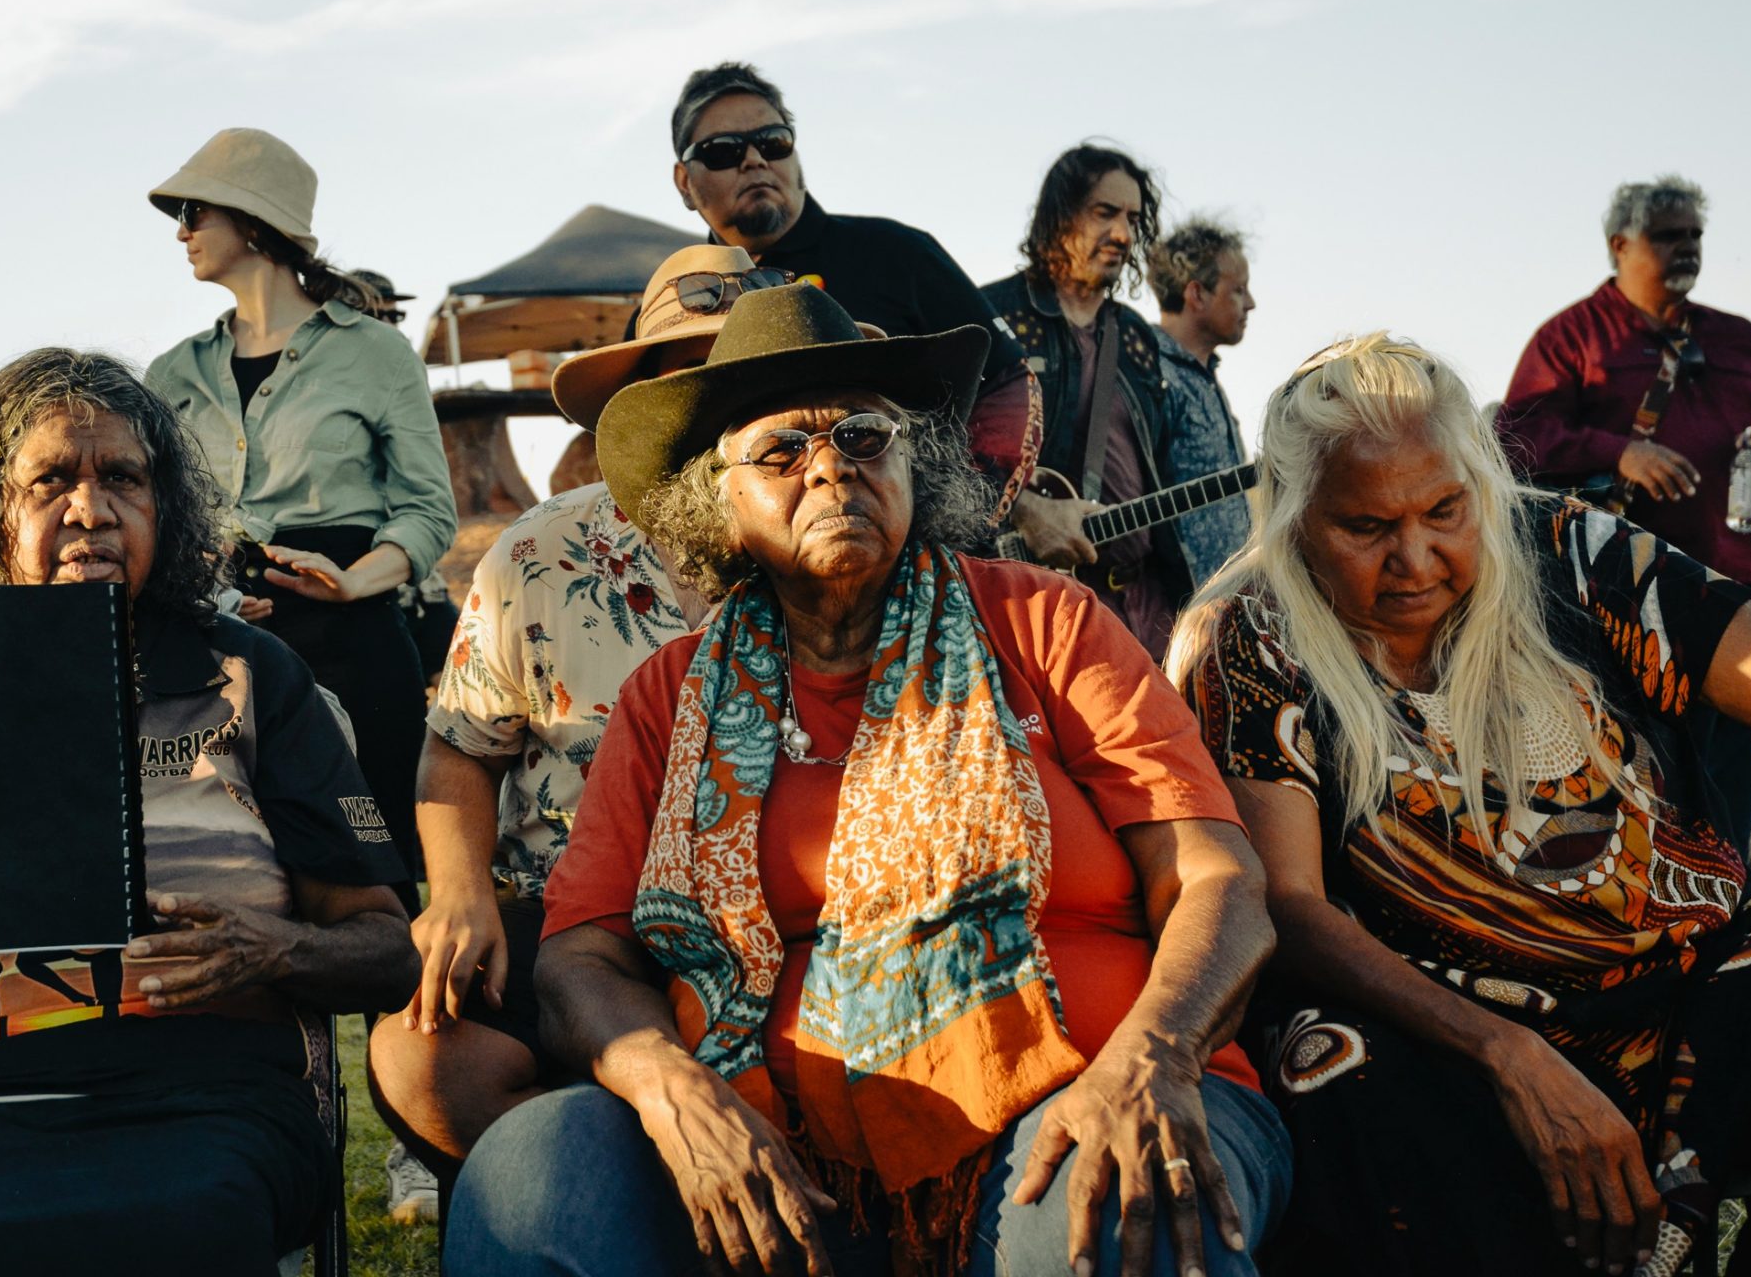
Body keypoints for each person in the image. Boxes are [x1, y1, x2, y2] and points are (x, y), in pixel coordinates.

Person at [448, 284, 1291, 1277]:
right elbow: (579, 959)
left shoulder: (1044, 623)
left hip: (1096, 1085)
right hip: (779, 1150)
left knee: (1100, 1214)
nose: (830, 470)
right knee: (530, 1173)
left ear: (914, 461)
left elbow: (1214, 880)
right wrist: (667, 1085)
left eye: (861, 437)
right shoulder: (667, 696)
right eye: (780, 452)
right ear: (714, 498)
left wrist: (1153, 1059)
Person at [0, 348, 417, 1275]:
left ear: (163, 507)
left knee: (193, 1219)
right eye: (51, 480)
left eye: (122, 477)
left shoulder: (252, 677)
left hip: (208, 1098)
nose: (90, 509)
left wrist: (274, 949)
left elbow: (387, 953)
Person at [1170, 334, 1751, 1276]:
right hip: (1436, 1017)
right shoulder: (1249, 634)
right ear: (1298, 518)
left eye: (1444, 510)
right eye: (1366, 527)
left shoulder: (1568, 549)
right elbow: (1292, 910)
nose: (1416, 559)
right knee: (1352, 1093)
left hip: (1680, 976)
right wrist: (1506, 1054)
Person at [366, 245, 756, 1220]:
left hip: (763, 917)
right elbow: (458, 745)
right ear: (639, 398)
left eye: (737, 375)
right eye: (686, 374)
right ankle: (591, 1181)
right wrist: (457, 895)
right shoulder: (539, 550)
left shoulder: (825, 534)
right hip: (558, 912)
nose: (712, 399)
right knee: (418, 1052)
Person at [143, 127, 457, 887]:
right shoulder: (168, 372)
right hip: (215, 648)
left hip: (350, 633)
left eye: (193, 210)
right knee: (227, 860)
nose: (180, 232)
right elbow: (152, 511)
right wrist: (205, 592)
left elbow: (427, 509)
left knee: (374, 858)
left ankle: (403, 1003)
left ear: (254, 222)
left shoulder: (377, 355)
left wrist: (354, 581)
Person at [1496, 176, 1751, 857]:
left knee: (1732, 765)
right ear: (1620, 245)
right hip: (1620, 596)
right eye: (1669, 235)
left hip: (1734, 586)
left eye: (1695, 235)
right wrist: (1619, 452)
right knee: (1639, 767)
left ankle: (1731, 915)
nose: (1687, 248)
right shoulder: (1570, 338)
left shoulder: (1741, 340)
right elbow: (1516, 440)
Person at [667, 61, 1039, 495]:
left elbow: (1007, 382)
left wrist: (956, 507)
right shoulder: (666, 312)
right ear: (684, 183)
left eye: (774, 142)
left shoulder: (898, 252)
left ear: (797, 160)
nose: (754, 160)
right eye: (721, 150)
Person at [983, 143, 1191, 659]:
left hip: (1148, 603)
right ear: (1061, 215)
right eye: (1105, 213)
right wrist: (1023, 511)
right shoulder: (992, 316)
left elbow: (1159, 467)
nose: (1122, 234)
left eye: (1132, 219)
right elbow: (944, 449)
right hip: (1044, 603)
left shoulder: (1138, 337)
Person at [1147, 217, 1258, 585]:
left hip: (1224, 601)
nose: (1251, 303)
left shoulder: (1203, 374)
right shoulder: (1150, 375)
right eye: (1238, 290)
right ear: (1197, 295)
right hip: (1179, 612)